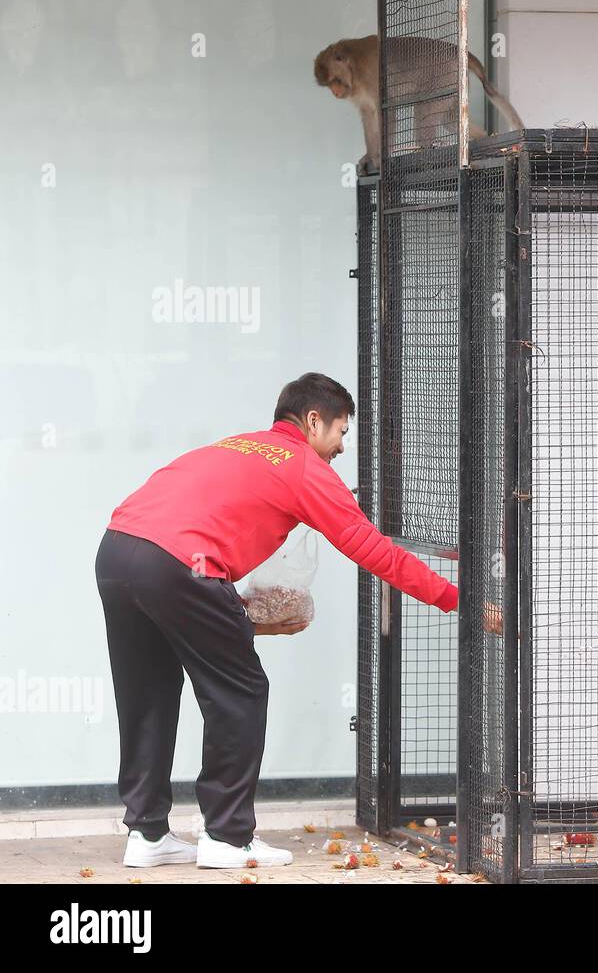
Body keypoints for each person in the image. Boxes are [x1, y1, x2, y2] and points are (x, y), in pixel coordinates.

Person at [95, 372, 501, 869]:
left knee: (147, 694)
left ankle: (147, 833)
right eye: (341, 431)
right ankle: (226, 837)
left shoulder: (240, 444)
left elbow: (191, 555)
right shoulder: (305, 467)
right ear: (313, 421)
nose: (342, 446)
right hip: (178, 564)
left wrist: (235, 612)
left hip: (117, 551)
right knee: (240, 691)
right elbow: (375, 552)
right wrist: (457, 599)